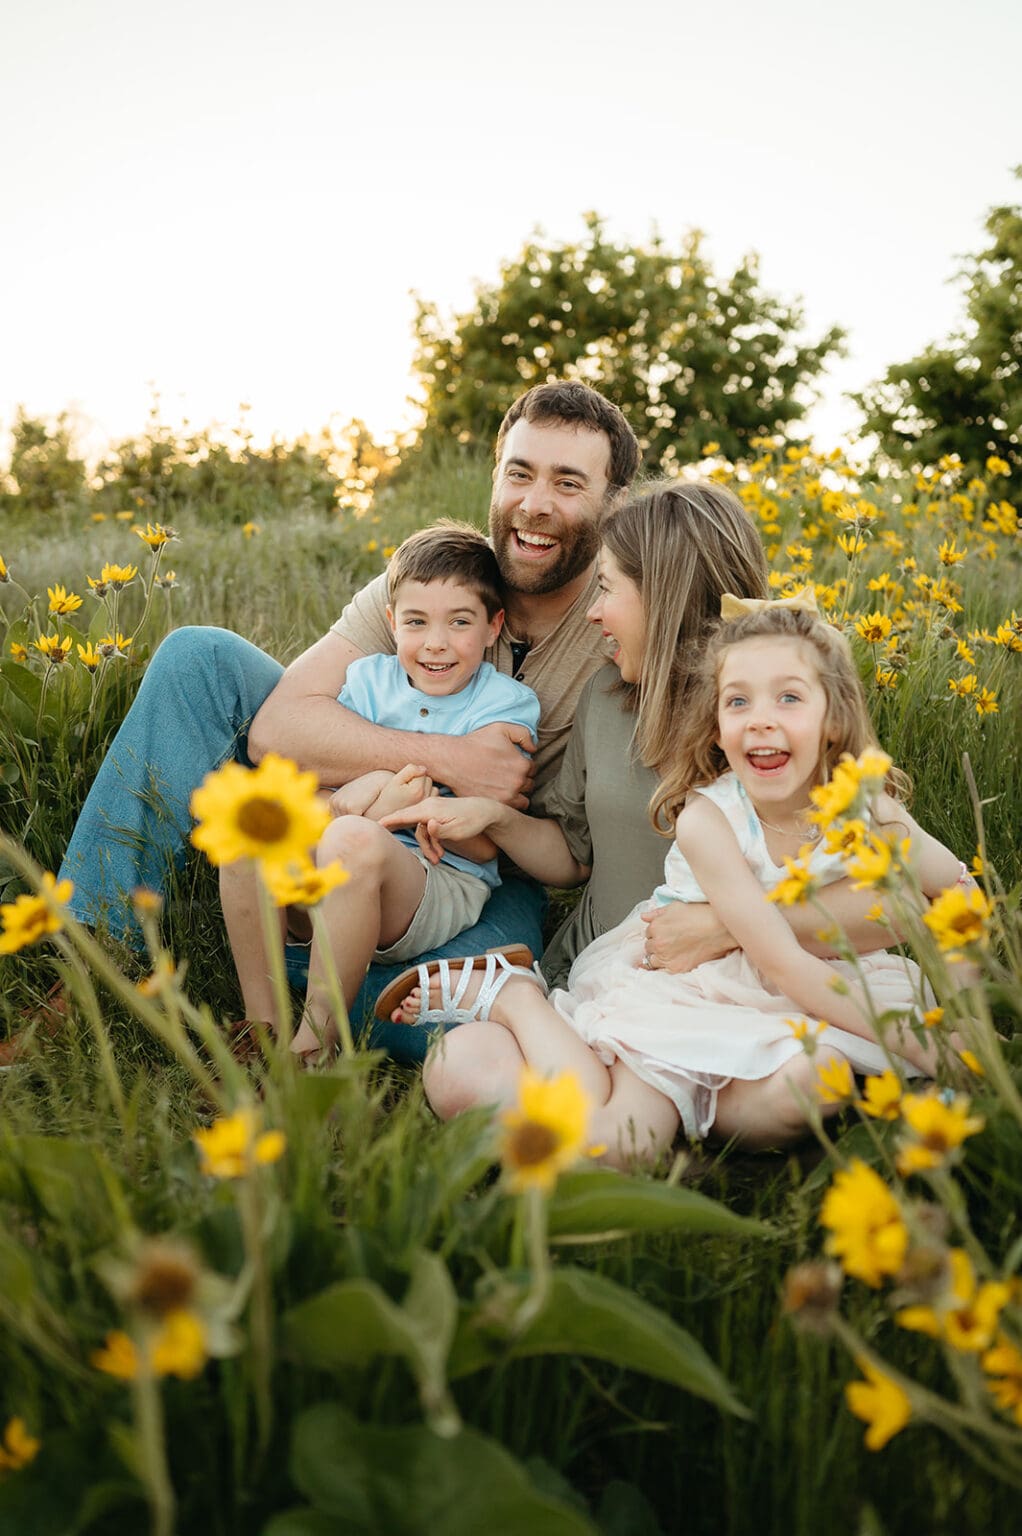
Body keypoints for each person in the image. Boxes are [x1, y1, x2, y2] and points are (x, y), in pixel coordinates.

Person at [53, 381, 641, 1053]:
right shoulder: (437, 576)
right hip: (343, 811)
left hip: (479, 872)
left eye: (568, 483)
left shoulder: (621, 615)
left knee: (458, 1023)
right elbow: (279, 730)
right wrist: (448, 760)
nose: (534, 504)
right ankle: (89, 964)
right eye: (519, 473)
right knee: (199, 658)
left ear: (614, 503)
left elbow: (579, 847)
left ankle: (265, 942)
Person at [381, 607, 976, 1163]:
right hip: (686, 987)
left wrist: (967, 1013)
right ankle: (516, 997)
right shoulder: (709, 821)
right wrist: (940, 1053)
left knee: (815, 1085)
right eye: (737, 701)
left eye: (789, 698)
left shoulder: (867, 806)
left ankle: (685, 1145)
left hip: (795, 995)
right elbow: (781, 959)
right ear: (716, 729)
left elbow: (958, 891)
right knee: (621, 1144)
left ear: (835, 717)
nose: (760, 719)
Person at [217, 522, 540, 1056]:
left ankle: (315, 1048)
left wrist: (395, 803)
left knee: (353, 840)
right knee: (251, 826)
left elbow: (484, 846)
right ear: (391, 623)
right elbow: (324, 790)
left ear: (493, 626)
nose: (435, 643)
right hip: (340, 861)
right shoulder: (366, 681)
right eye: (416, 621)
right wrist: (376, 790)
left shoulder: (504, 707)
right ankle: (262, 1026)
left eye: (460, 622)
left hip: (438, 880)